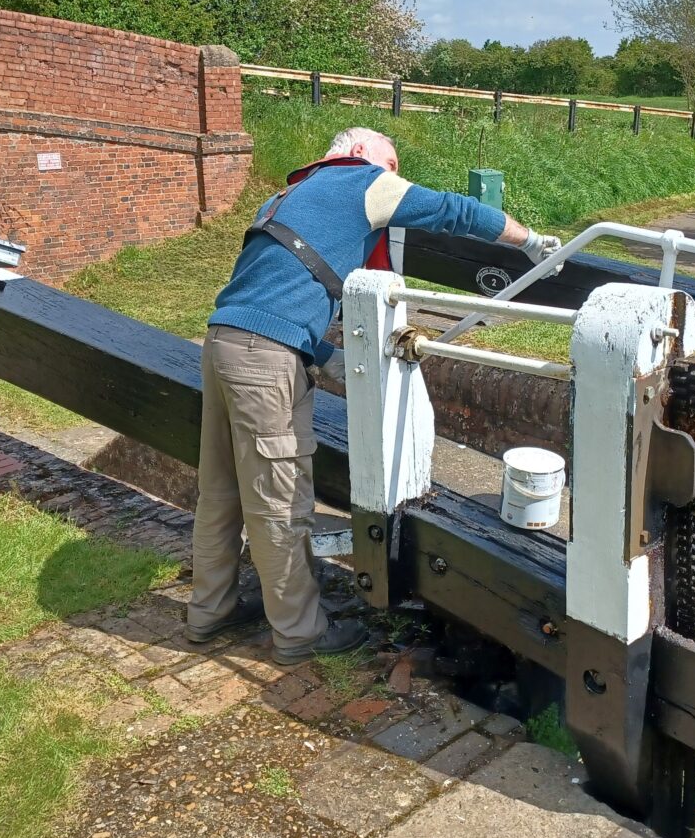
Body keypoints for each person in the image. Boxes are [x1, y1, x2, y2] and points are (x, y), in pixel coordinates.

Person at [187, 126, 562, 664]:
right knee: (280, 504)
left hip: (222, 341)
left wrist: (322, 355)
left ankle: (210, 610)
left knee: (221, 493)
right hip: (265, 361)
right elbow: (452, 210)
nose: (393, 177)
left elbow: (274, 290)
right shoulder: (360, 179)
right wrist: (527, 240)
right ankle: (299, 633)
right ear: (361, 151)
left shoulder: (285, 194)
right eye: (391, 164)